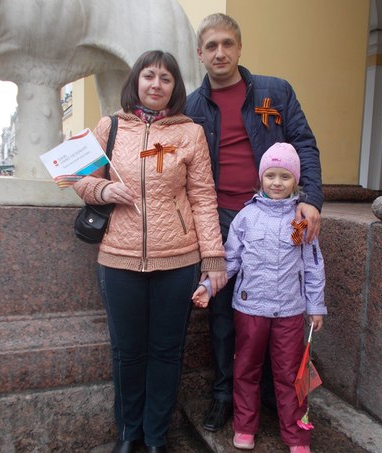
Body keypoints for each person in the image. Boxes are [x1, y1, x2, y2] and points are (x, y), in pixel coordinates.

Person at [74, 50, 227, 453]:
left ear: (175, 87)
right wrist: (104, 188)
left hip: (178, 261)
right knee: (127, 352)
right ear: (136, 81)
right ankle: (128, 434)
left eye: (165, 78)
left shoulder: (190, 133)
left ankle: (156, 437)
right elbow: (79, 177)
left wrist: (214, 260)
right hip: (119, 259)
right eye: (149, 76)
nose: (156, 84)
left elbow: (203, 198)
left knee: (166, 352)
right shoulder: (109, 126)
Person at [184, 13, 324, 432]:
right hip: (218, 220)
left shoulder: (275, 92)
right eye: (211, 46)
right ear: (199, 53)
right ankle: (224, 393)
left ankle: (270, 393)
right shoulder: (191, 107)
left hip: (276, 216)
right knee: (223, 310)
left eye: (227, 43)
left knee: (278, 310)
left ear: (240, 47)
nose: (220, 53)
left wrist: (311, 199)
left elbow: (304, 144)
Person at [192, 143, 327, 453]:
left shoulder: (299, 220)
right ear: (261, 178)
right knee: (246, 369)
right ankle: (244, 426)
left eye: (285, 177)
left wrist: (315, 305)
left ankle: (296, 436)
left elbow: (312, 265)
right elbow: (230, 260)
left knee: (290, 374)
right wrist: (208, 287)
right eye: (270, 176)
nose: (277, 183)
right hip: (250, 308)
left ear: (295, 181)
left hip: (289, 311)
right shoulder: (246, 217)